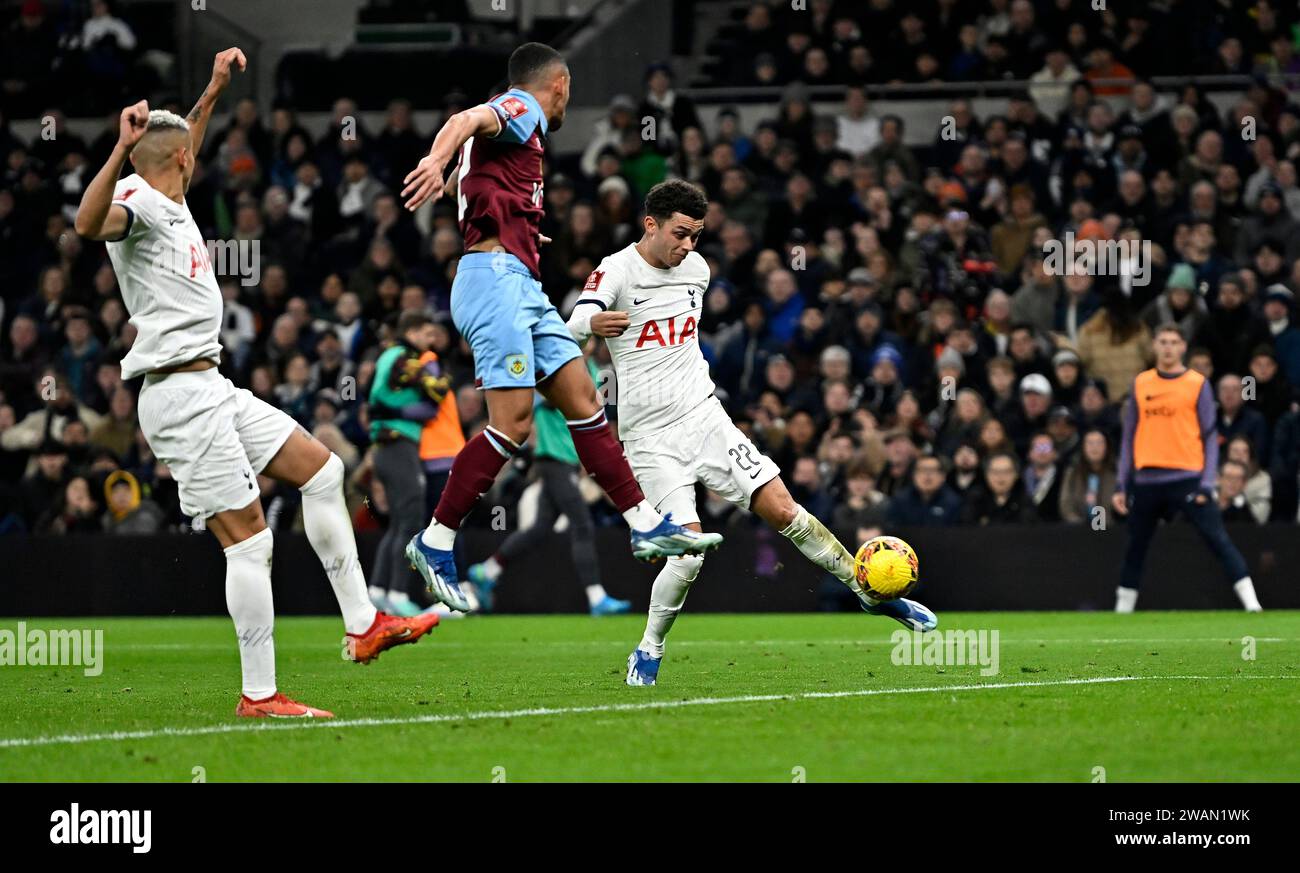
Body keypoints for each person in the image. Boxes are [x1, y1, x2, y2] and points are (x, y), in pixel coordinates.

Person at [73, 49, 437, 720]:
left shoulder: (171, 194)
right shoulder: (136, 200)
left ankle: (363, 624)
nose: (195, 151)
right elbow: (86, 224)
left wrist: (212, 88)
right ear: (179, 160)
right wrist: (119, 149)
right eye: (188, 148)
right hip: (178, 395)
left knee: (323, 470)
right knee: (250, 542)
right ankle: (260, 694)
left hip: (211, 385)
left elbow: (183, 137)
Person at [566, 180, 938, 686]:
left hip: (705, 417)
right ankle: (648, 650)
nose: (688, 246)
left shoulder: (697, 270)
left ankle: (868, 592)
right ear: (650, 225)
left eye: (696, 235)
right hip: (650, 438)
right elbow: (576, 320)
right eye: (680, 234)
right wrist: (593, 324)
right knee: (688, 554)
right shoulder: (617, 269)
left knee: (786, 510)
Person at [400, 43, 721, 611]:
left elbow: (476, 186)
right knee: (513, 424)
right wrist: (435, 160)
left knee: (583, 398)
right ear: (560, 85)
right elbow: (463, 120)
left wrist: (520, 225)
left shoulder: (512, 143)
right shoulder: (522, 106)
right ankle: (436, 539)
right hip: (494, 282)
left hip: (519, 282)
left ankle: (645, 524)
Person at [1112, 324, 1263, 613]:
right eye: (1163, 342)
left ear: (1183, 347)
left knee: (1217, 539)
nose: (1168, 348)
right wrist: (1121, 483)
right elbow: (1129, 435)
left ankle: (1251, 602)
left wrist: (1207, 483)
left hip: (1188, 478)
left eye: (1174, 342)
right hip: (1146, 479)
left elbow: (1209, 436)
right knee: (1135, 545)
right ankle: (1122, 610)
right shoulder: (1141, 383)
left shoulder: (1197, 383)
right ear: (1154, 346)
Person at [467, 355, 629, 616]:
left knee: (539, 528)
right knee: (582, 524)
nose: (587, 342)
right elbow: (551, 399)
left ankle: (487, 570)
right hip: (554, 460)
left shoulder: (592, 369)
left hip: (568, 462)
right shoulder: (554, 365)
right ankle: (596, 597)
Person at [366, 310, 449, 616]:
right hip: (398, 444)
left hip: (389, 446)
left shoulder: (391, 355)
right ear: (412, 332)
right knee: (411, 520)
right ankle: (398, 594)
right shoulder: (402, 356)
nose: (431, 341)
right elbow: (382, 397)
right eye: (427, 334)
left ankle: (378, 591)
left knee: (398, 523)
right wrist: (408, 410)